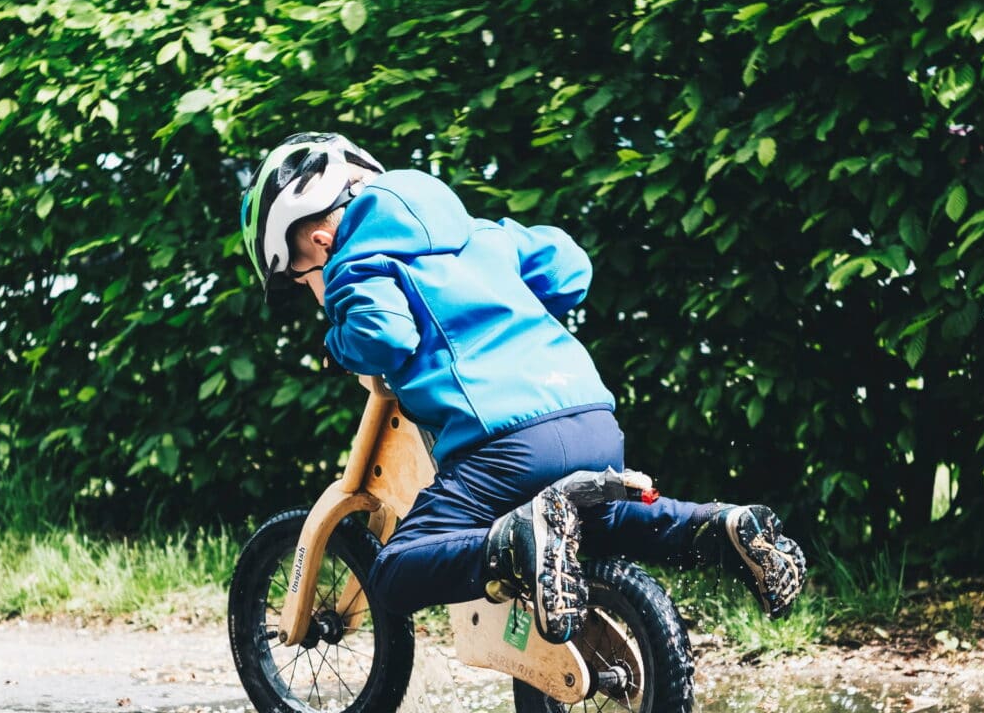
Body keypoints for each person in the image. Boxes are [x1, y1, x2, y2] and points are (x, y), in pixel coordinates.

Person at [238, 131, 805, 644]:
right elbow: (569, 269)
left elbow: (384, 337)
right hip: (592, 420)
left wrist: (339, 341)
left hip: (502, 443)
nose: (308, 285)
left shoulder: (356, 263)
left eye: (297, 274)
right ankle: (719, 527)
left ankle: (516, 542)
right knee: (600, 527)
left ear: (320, 237)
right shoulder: (480, 235)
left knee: (394, 570)